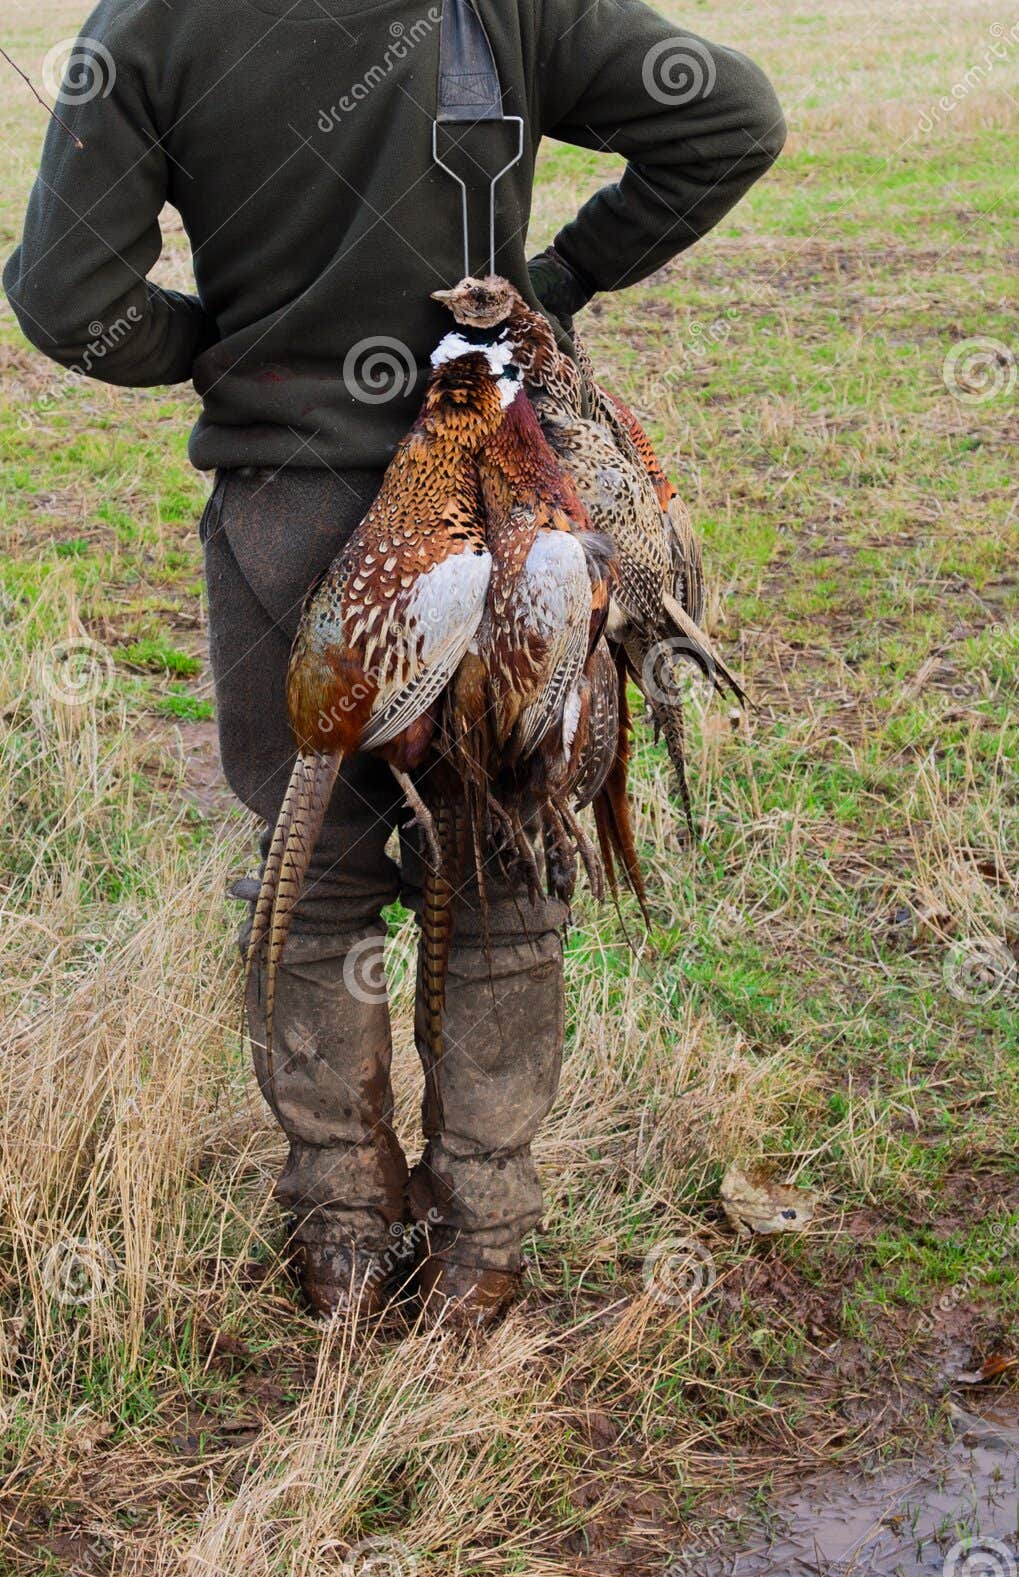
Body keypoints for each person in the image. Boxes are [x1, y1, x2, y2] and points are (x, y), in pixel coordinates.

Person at [5, 0, 784, 1328]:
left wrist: (210, 349)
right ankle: (482, 1252)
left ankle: (342, 1247)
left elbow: (65, 299)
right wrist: (559, 280)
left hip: (284, 517)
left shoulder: (148, 23)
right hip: (505, 509)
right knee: (503, 870)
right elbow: (730, 120)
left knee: (311, 890)